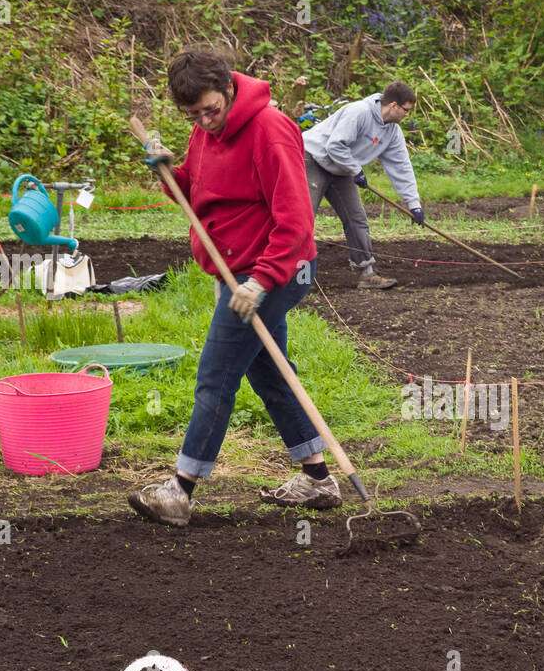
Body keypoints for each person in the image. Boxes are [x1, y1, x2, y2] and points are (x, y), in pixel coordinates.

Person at [129, 49, 341, 527]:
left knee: (216, 376)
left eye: (211, 110)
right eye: (192, 116)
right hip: (239, 271)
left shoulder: (270, 129)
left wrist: (262, 281)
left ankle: (179, 491)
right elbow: (201, 193)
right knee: (269, 373)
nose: (205, 122)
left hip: (276, 270)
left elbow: (296, 221)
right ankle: (317, 478)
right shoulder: (205, 131)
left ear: (228, 89)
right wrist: (168, 171)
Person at [301, 82, 424, 289]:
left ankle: (367, 274)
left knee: (356, 219)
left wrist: (414, 204)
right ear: (394, 105)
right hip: (312, 159)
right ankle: (292, 276)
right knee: (303, 218)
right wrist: (355, 169)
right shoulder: (359, 112)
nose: (407, 116)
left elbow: (401, 167)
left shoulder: (392, 132)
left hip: (342, 169)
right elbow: (335, 145)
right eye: (406, 110)